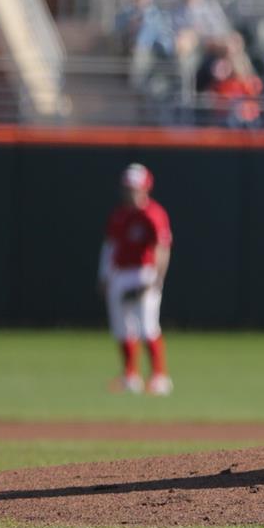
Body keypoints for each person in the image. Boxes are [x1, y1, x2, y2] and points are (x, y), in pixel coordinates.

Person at [99, 164, 172, 395]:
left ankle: (160, 378)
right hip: (120, 273)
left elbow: (162, 248)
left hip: (144, 273)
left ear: (145, 188)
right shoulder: (119, 214)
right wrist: (104, 275)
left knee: (148, 326)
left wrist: (157, 278)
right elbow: (110, 246)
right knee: (122, 327)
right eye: (127, 188)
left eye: (134, 188)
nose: (129, 192)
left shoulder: (153, 214)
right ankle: (130, 376)